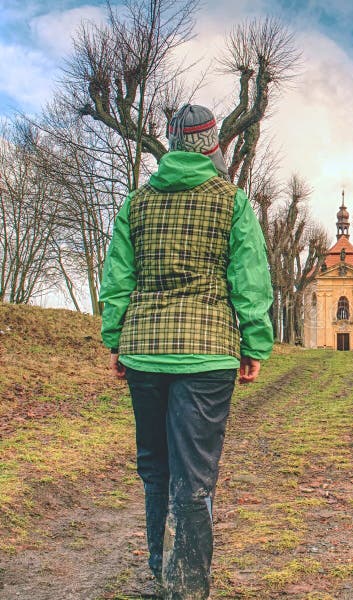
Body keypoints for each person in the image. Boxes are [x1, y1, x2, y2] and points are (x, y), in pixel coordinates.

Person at [99, 104, 273, 599]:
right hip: (209, 355)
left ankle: (161, 571)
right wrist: (254, 343)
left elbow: (117, 280)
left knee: (156, 468)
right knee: (193, 479)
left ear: (172, 145)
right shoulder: (231, 201)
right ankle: (188, 586)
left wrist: (116, 339)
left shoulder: (136, 203)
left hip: (145, 352)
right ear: (212, 145)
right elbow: (250, 281)